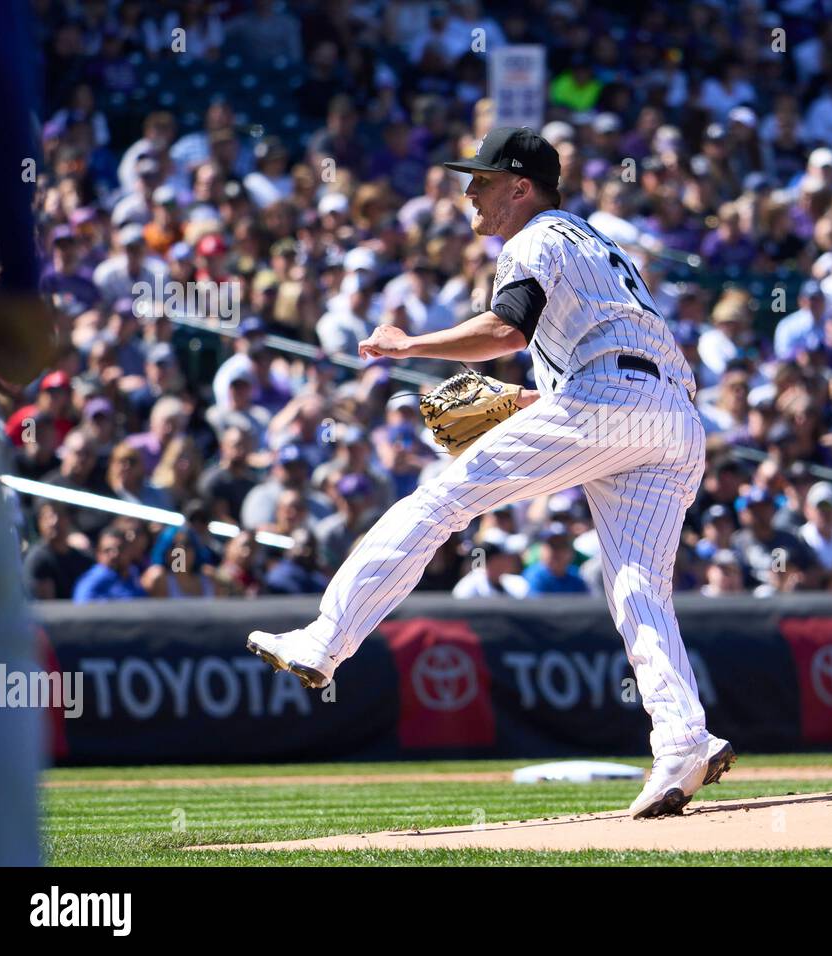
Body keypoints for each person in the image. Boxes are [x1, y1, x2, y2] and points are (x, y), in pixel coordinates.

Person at [246, 127, 733, 819]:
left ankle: (325, 638)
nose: (469, 190)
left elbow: (508, 329)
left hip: (612, 403)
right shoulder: (598, 242)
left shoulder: (532, 239)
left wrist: (407, 344)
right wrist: (534, 400)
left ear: (521, 187)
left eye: (482, 179)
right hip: (673, 418)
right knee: (637, 590)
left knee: (439, 501)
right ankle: (684, 739)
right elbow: (602, 344)